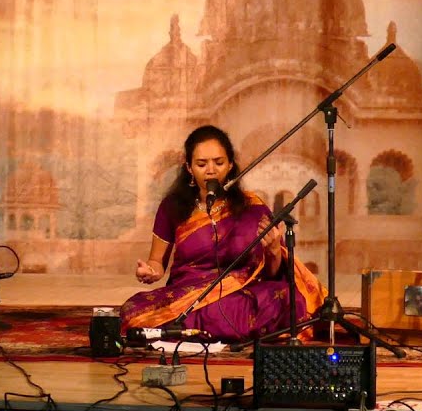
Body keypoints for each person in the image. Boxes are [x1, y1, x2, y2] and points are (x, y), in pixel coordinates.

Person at [120, 125, 326, 342]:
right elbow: (157, 261)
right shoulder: (172, 207)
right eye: (201, 164)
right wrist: (151, 271)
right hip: (189, 296)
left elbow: (272, 274)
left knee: (286, 299)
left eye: (218, 163)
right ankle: (222, 329)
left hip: (241, 293)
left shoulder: (252, 206)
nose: (211, 170)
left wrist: (274, 250)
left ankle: (193, 330)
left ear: (230, 165)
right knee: (133, 310)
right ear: (189, 168)